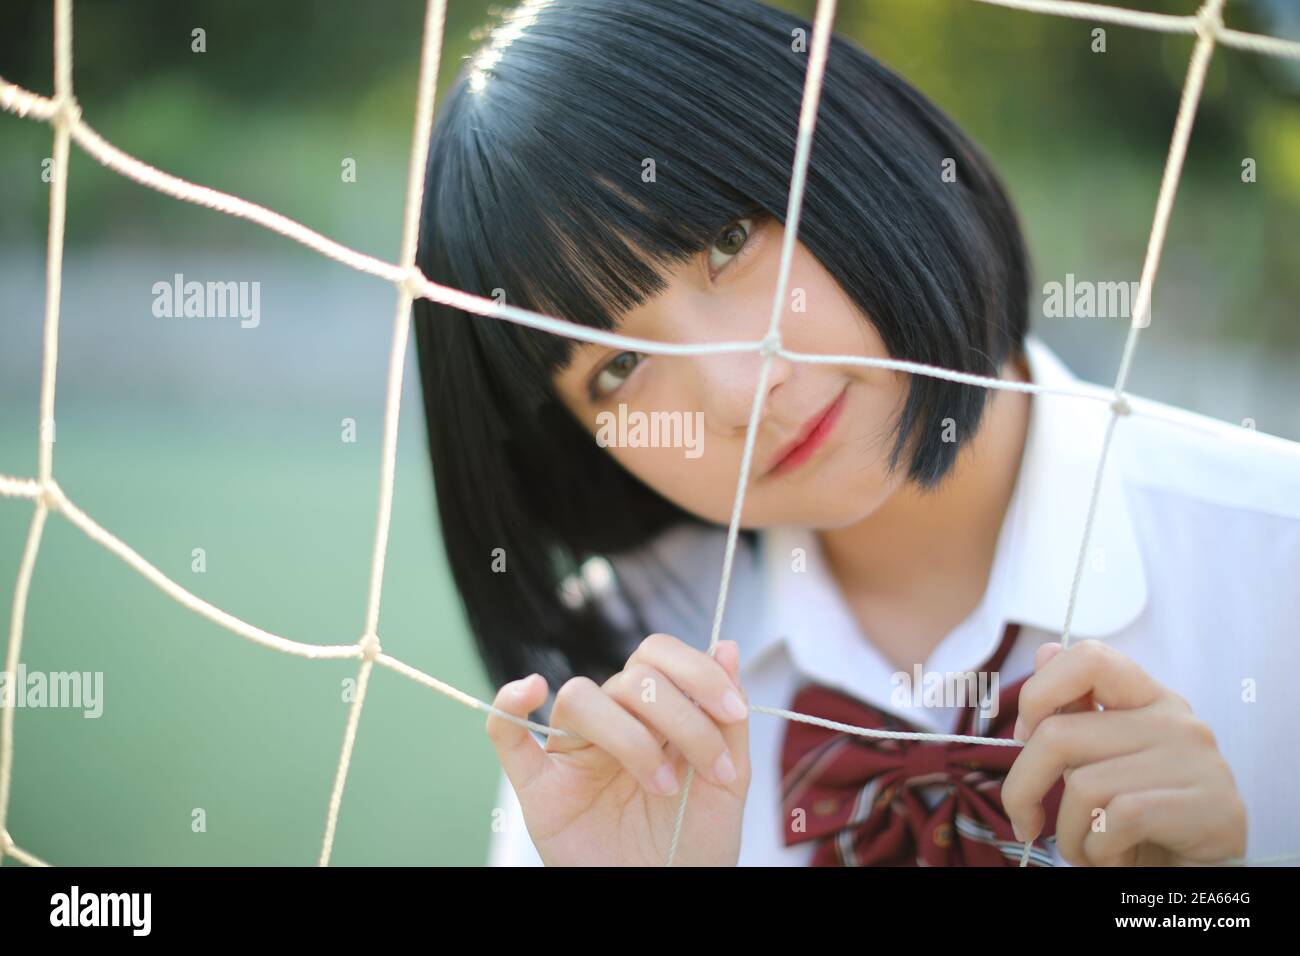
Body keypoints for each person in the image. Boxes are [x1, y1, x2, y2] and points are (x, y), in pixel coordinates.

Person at [410, 0, 1300, 866]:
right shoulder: (618, 702)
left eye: (726, 241)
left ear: (848, 151)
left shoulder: (1273, 547)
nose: (737, 389)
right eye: (616, 369)